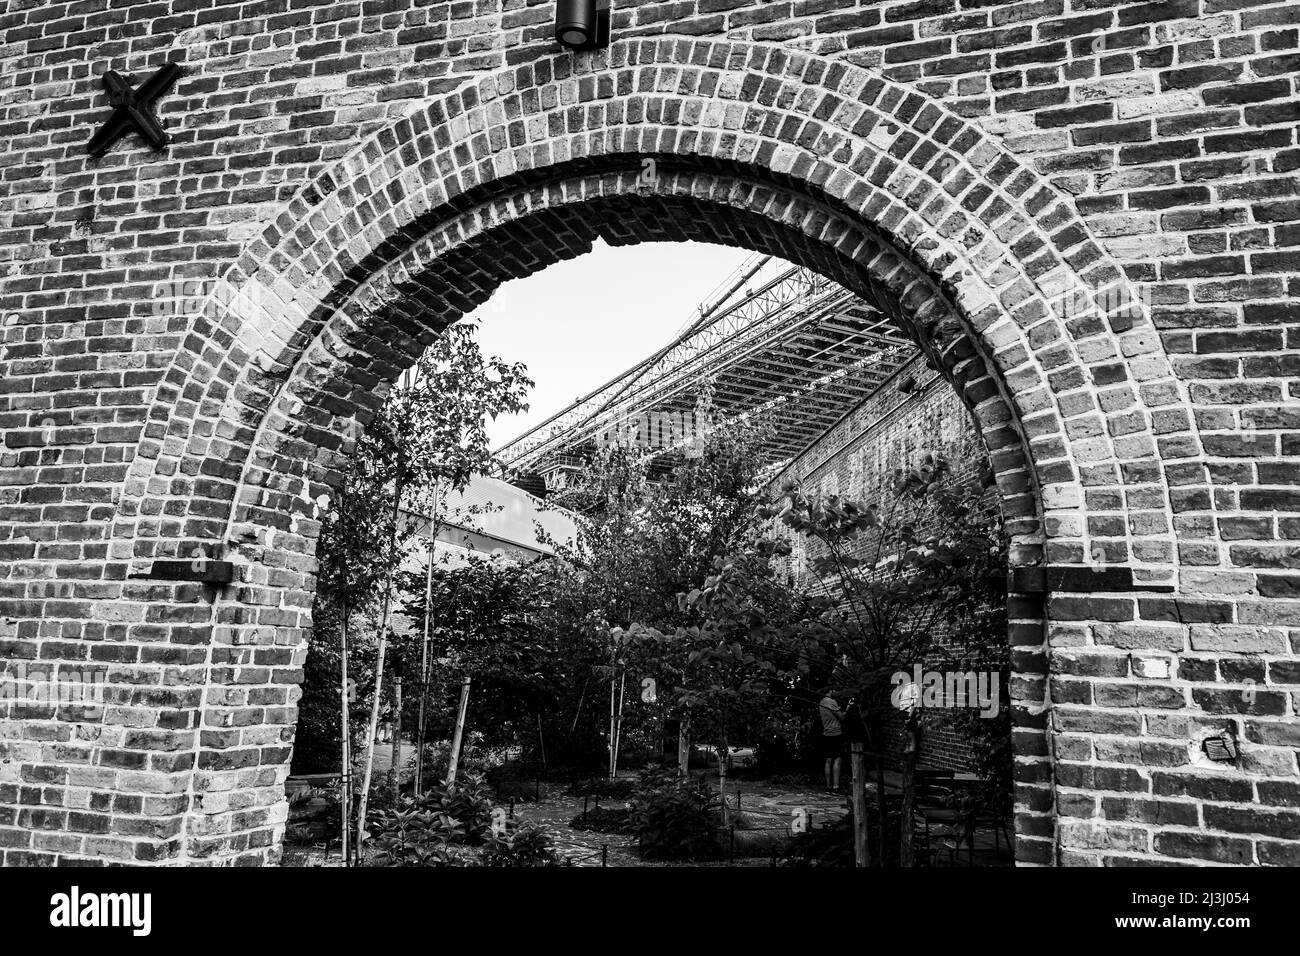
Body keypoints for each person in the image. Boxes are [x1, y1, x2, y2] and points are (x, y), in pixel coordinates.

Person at [818, 693, 844, 793]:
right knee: (837, 759)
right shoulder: (832, 702)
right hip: (836, 734)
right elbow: (841, 717)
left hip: (826, 733)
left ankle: (828, 786)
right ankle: (836, 786)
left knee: (828, 760)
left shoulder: (822, 702)